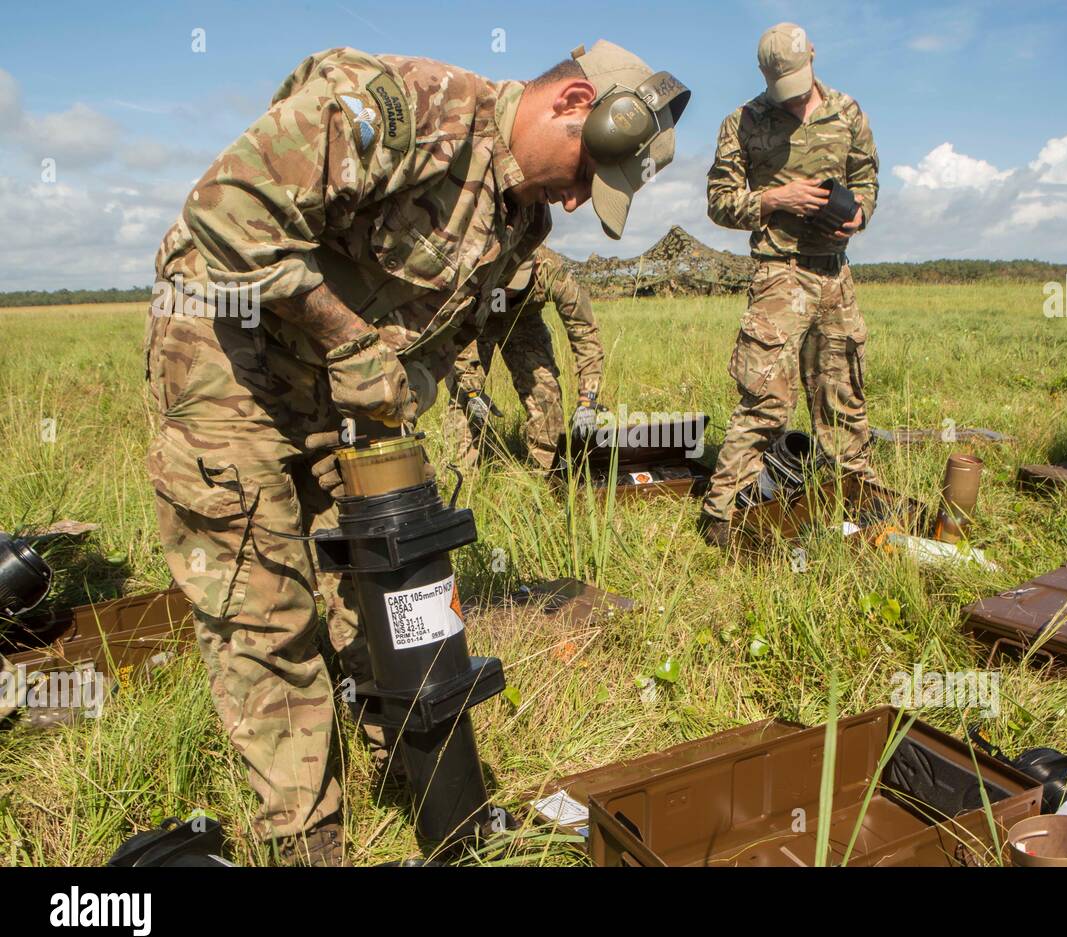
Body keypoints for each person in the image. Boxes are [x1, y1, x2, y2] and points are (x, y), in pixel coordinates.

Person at [144, 41, 687, 864]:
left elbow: (442, 334)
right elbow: (228, 216)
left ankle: (420, 785)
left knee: (387, 588)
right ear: (574, 101)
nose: (577, 202)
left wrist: (400, 403)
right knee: (270, 616)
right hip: (230, 369)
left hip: (343, 399)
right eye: (584, 176)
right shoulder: (409, 106)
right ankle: (307, 842)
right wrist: (346, 341)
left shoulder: (520, 217)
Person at [698, 22, 878, 546]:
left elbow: (866, 177)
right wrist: (776, 200)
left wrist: (858, 214)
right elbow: (719, 202)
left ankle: (858, 503)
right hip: (780, 274)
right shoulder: (744, 121)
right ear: (763, 75)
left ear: (814, 56)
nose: (793, 96)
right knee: (766, 401)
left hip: (834, 273)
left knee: (843, 397)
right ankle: (722, 518)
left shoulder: (848, 112)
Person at [445, 246, 604, 470]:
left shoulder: (552, 272)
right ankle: (462, 475)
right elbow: (455, 330)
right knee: (464, 399)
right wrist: (470, 387)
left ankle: (550, 471)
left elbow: (584, 332)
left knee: (545, 391)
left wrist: (588, 399)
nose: (508, 291)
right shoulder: (472, 266)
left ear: (535, 266)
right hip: (476, 320)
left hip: (524, 320)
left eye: (514, 283)